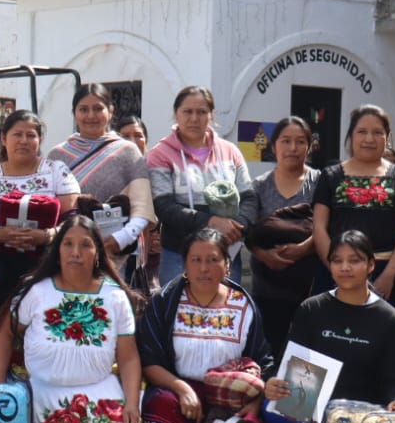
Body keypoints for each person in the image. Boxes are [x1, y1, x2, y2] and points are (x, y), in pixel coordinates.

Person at [261, 230, 395, 423]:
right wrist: (274, 383)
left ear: (370, 265)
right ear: (329, 265)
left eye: (354, 260)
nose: (345, 268)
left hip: (358, 419)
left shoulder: (388, 318)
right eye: (337, 260)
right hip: (313, 411)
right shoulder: (312, 309)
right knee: (271, 406)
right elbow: (288, 363)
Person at [0, 216, 142, 423]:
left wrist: (132, 405)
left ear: (97, 253)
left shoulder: (115, 297)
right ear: (58, 250)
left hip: (100, 391)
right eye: (68, 244)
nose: (76, 252)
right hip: (43, 394)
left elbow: (129, 357)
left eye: (85, 245)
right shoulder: (37, 291)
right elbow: (5, 333)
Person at [137, 229, 272, 423]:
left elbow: (264, 361)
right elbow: (149, 359)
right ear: (185, 265)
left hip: (229, 403)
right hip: (180, 399)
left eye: (212, 260)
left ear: (227, 265)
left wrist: (255, 405)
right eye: (196, 260)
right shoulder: (166, 302)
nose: (203, 268)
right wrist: (182, 389)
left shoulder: (244, 305)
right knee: (159, 403)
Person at [311, 104, 395, 315]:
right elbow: (319, 227)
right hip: (338, 273)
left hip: (391, 275)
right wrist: (337, 269)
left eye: (377, 132)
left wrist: (388, 275)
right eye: (362, 131)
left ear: (387, 138)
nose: (369, 139)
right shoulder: (331, 176)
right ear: (351, 136)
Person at [148, 86, 255, 284]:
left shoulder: (230, 151)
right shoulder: (160, 154)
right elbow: (164, 206)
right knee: (179, 304)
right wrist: (211, 222)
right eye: (187, 111)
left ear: (211, 115)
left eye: (202, 112)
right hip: (178, 256)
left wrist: (237, 227)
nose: (194, 118)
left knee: (225, 304)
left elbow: (249, 197)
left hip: (226, 250)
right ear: (176, 114)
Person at [47, 85, 154, 275]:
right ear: (74, 113)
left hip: (115, 252)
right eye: (83, 109)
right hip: (68, 249)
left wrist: (120, 239)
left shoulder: (128, 152)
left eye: (98, 108)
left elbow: (142, 205)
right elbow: (51, 206)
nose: (91, 115)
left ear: (111, 111)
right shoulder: (57, 155)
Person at [240, 116, 320, 360]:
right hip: (268, 286)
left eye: (300, 141)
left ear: (309, 147)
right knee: (269, 353)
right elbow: (247, 228)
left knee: (306, 355)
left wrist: (303, 249)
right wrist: (264, 255)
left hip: (310, 286)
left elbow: (328, 225)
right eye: (286, 141)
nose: (292, 148)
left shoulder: (320, 183)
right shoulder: (259, 186)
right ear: (274, 146)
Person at [0, 110, 81, 289]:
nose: (23, 141)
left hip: (51, 265)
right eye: (17, 134)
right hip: (1, 267)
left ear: (40, 139)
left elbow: (74, 219)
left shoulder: (56, 171)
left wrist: (47, 236)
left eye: (30, 135)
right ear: (3, 138)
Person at [115, 114, 161, 289]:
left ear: (146, 140)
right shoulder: (111, 174)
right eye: (125, 136)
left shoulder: (157, 171)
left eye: (138, 135)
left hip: (154, 255)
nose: (133, 141)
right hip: (119, 248)